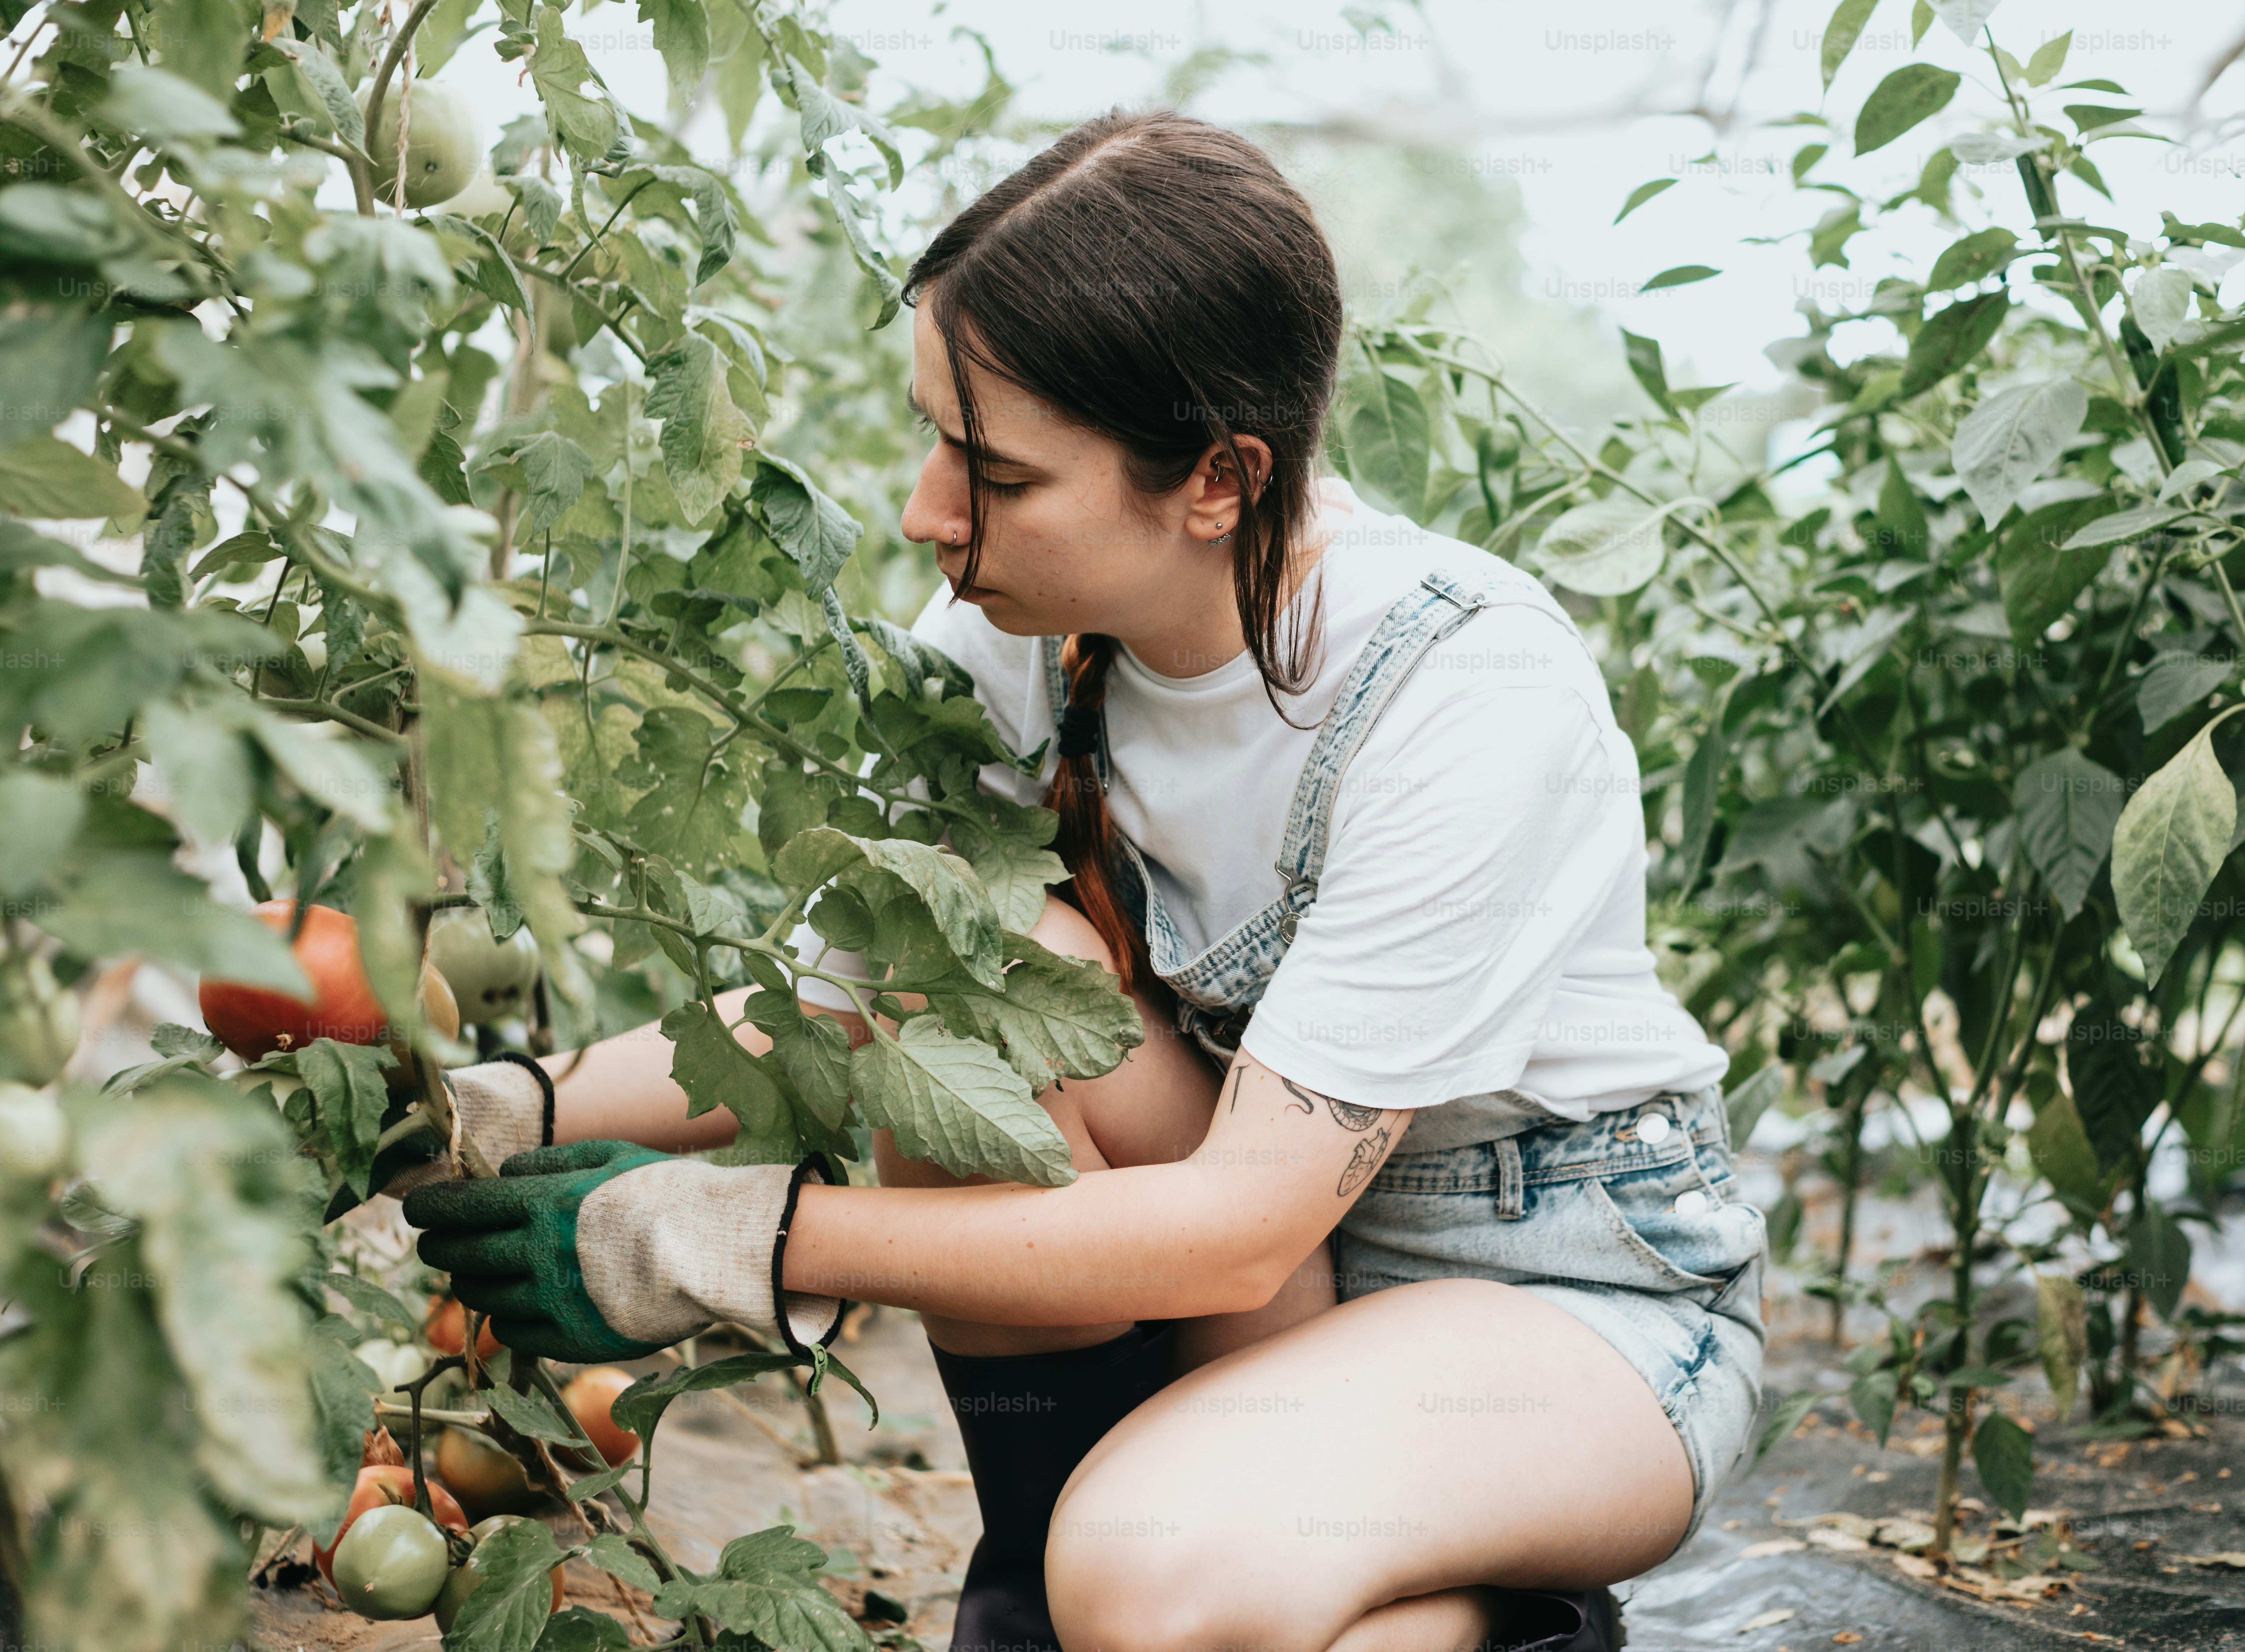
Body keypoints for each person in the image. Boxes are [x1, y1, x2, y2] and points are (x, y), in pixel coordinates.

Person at [401, 109, 1766, 1652]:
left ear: (1219, 479)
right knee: (959, 958)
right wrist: (496, 1106)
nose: (925, 511)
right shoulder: (1017, 635)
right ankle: (1174, 1581)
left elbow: (1242, 1227)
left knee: (1149, 1568)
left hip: (1558, 1301)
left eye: (990, 468)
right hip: (1278, 1272)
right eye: (932, 435)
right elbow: (840, 999)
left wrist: (740, 1240)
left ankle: (1445, 1599)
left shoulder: (1462, 690)